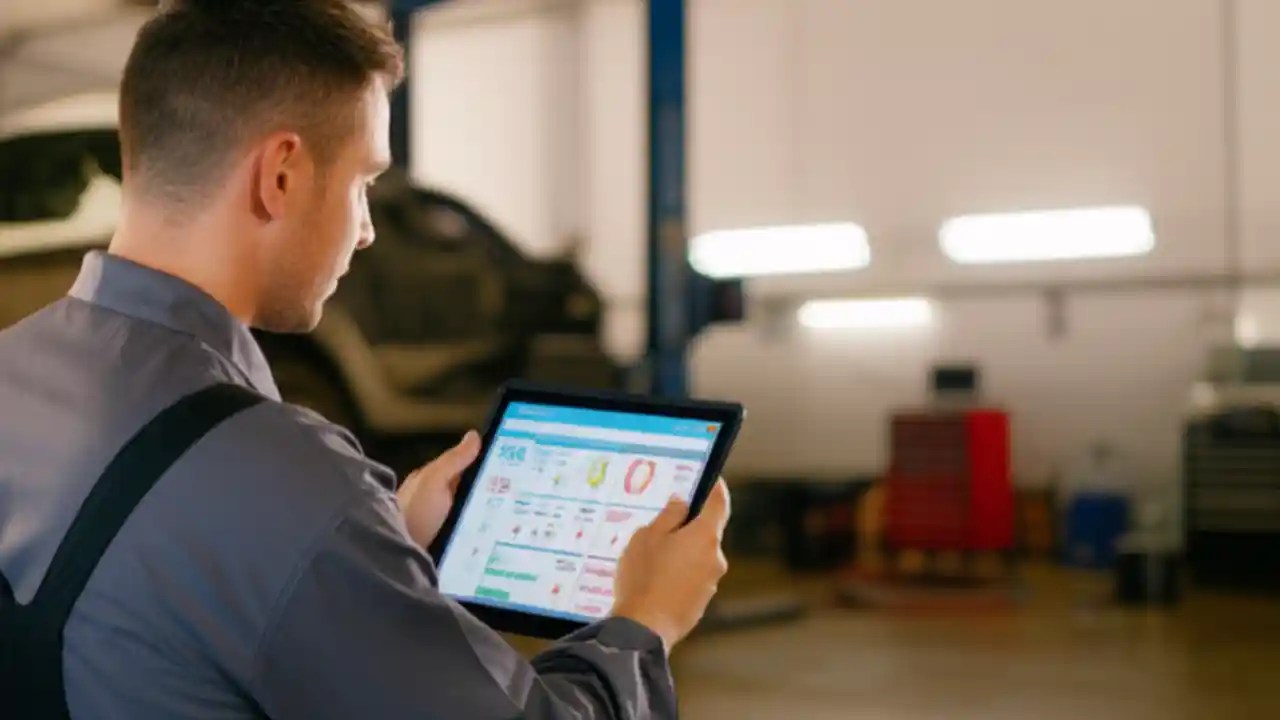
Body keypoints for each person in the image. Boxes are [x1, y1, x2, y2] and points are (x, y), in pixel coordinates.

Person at [0, 1, 730, 717]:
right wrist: (645, 620)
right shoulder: (286, 478)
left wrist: (376, 544)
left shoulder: (16, 372)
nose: (368, 230)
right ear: (279, 174)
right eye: (364, 182)